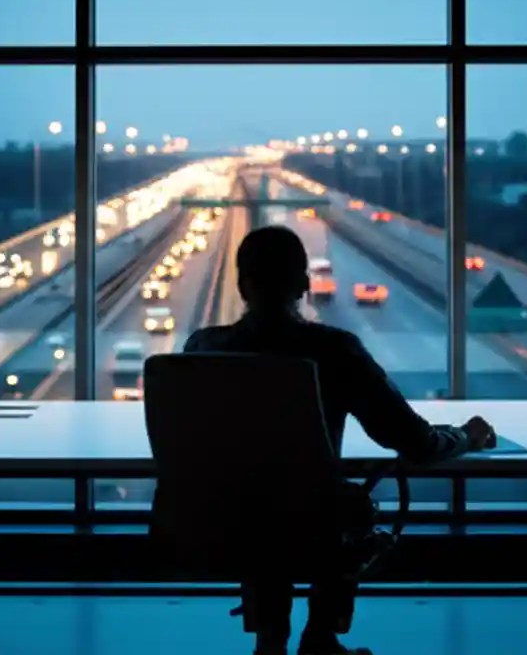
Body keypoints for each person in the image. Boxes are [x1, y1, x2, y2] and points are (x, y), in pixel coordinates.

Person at [184, 225, 495, 655]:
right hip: (309, 521)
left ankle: (270, 637)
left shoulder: (202, 349)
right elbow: (414, 442)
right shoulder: (334, 351)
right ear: (304, 284)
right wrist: (466, 436)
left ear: (240, 284)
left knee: (259, 499)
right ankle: (320, 637)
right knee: (346, 505)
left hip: (217, 518)